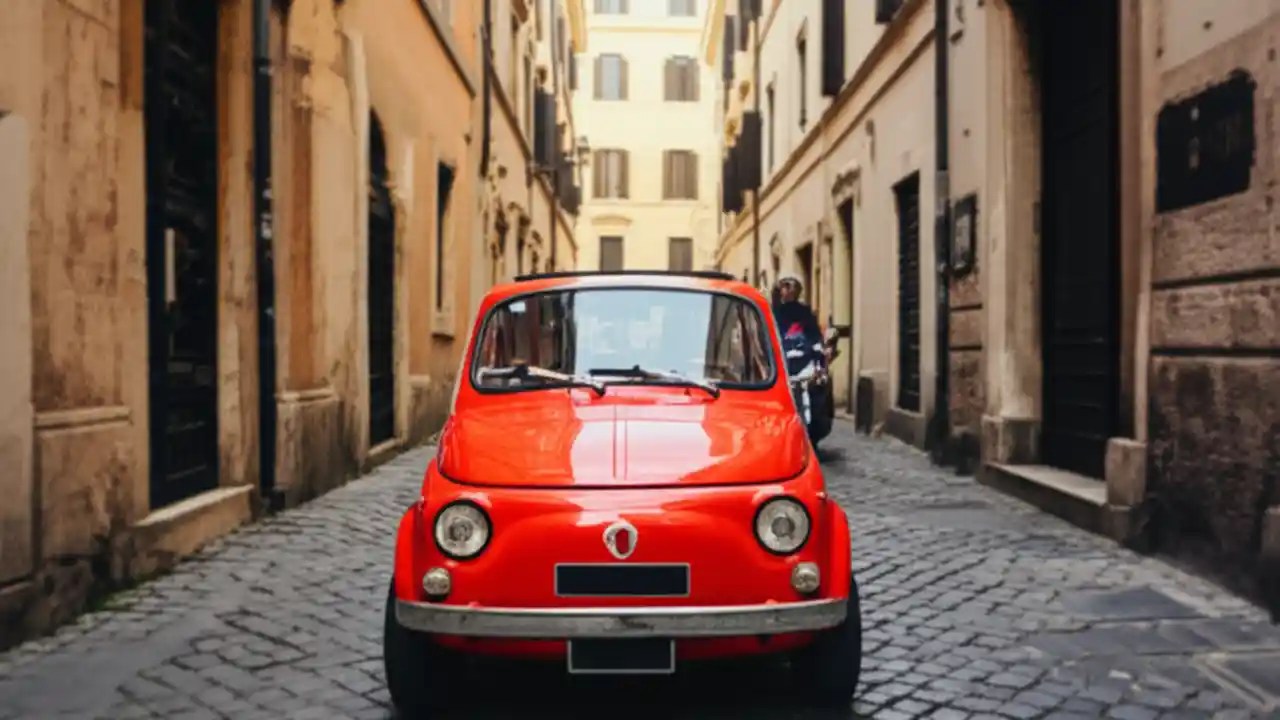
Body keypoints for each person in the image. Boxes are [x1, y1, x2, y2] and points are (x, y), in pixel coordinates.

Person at [771, 275, 822, 349]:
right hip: (782, 352)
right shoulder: (776, 312)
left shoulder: (804, 311)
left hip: (803, 352)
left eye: (786, 286)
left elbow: (814, 335)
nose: (783, 290)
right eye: (781, 287)